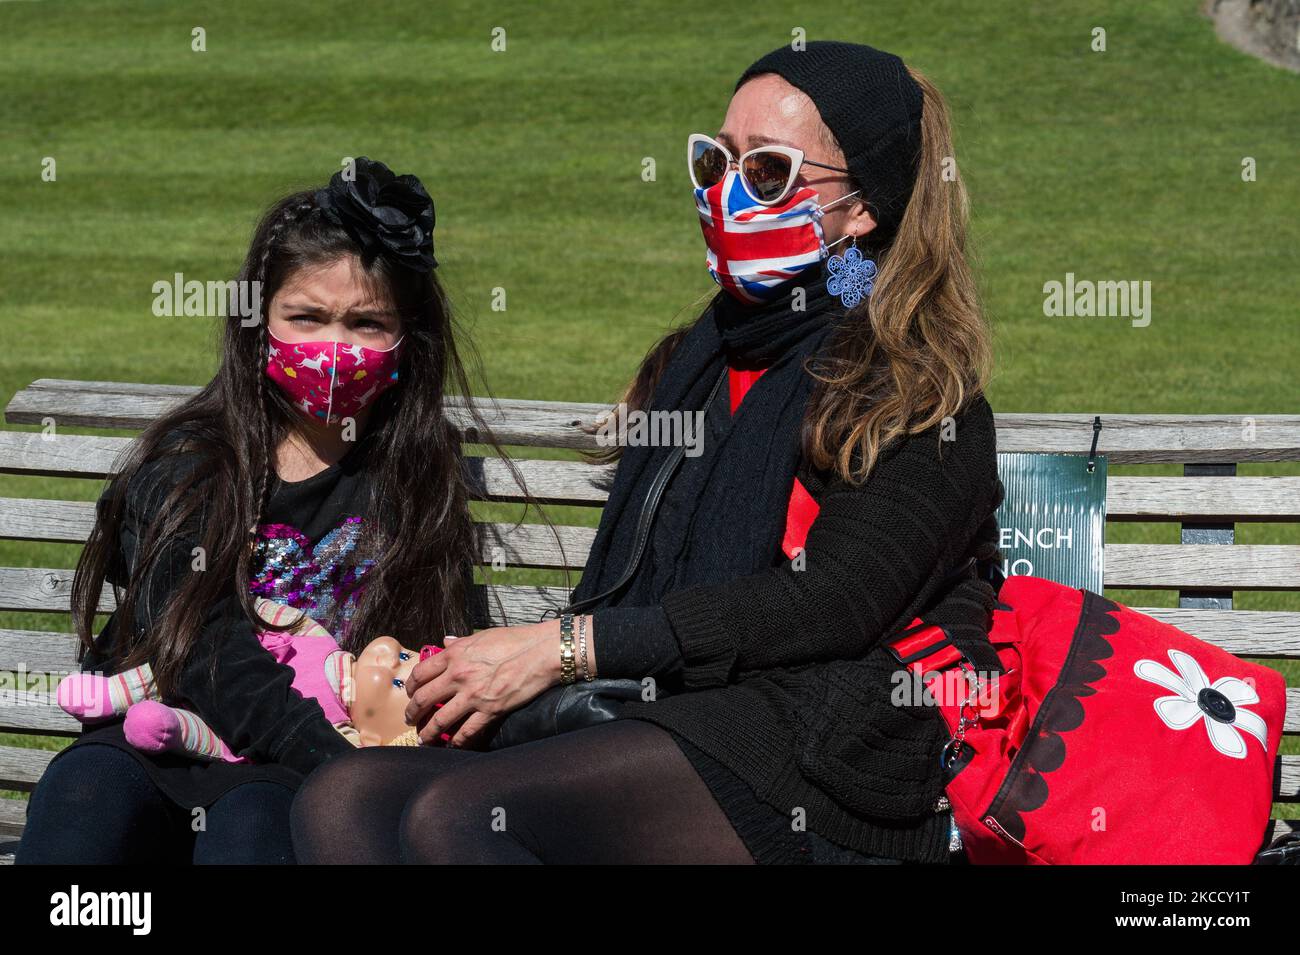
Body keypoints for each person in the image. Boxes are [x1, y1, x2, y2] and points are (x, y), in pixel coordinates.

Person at [290, 41, 1006, 865]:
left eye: (769, 173)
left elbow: (832, 603)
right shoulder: (699, 356)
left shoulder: (921, 393)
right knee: (342, 801)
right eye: (714, 161)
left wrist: (564, 646)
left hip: (829, 743)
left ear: (861, 210)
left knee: (456, 816)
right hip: (670, 704)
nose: (727, 192)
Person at [16, 157, 514, 864]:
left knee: (253, 826)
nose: (334, 348)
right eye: (306, 317)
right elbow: (202, 649)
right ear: (257, 322)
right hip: (165, 730)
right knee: (87, 794)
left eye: (366, 322)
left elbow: (412, 652)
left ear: (408, 338)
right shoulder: (191, 462)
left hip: (293, 770)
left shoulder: (413, 472)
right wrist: (328, 755)